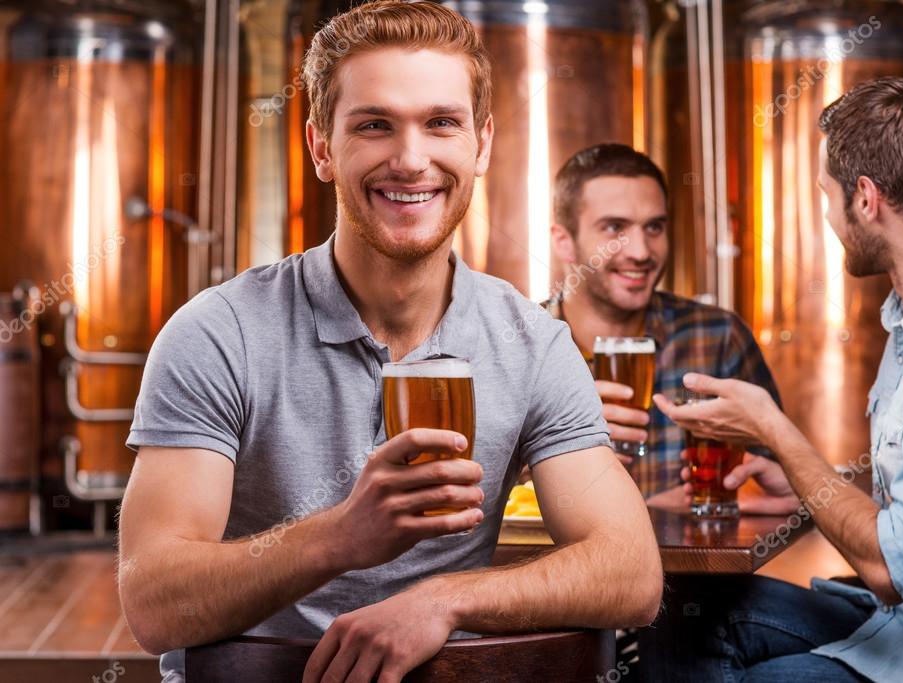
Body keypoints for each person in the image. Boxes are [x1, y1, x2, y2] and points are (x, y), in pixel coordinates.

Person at [116, 3, 662, 682]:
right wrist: (340, 536)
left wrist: (441, 600)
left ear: (481, 145)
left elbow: (631, 571)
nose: (410, 159)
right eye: (374, 125)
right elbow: (152, 603)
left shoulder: (531, 343)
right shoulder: (218, 332)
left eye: (441, 123)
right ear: (321, 147)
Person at [656, 76, 903, 681]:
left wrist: (777, 432)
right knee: (684, 613)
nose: (826, 216)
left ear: (866, 199)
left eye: (826, 196)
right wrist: (804, 484)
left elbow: (891, 564)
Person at [547, 143, 790, 512]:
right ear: (564, 242)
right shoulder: (518, 346)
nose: (641, 251)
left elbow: (784, 483)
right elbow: (474, 506)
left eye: (654, 227)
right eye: (615, 228)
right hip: (558, 570)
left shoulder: (717, 337)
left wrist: (714, 501)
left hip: (700, 572)